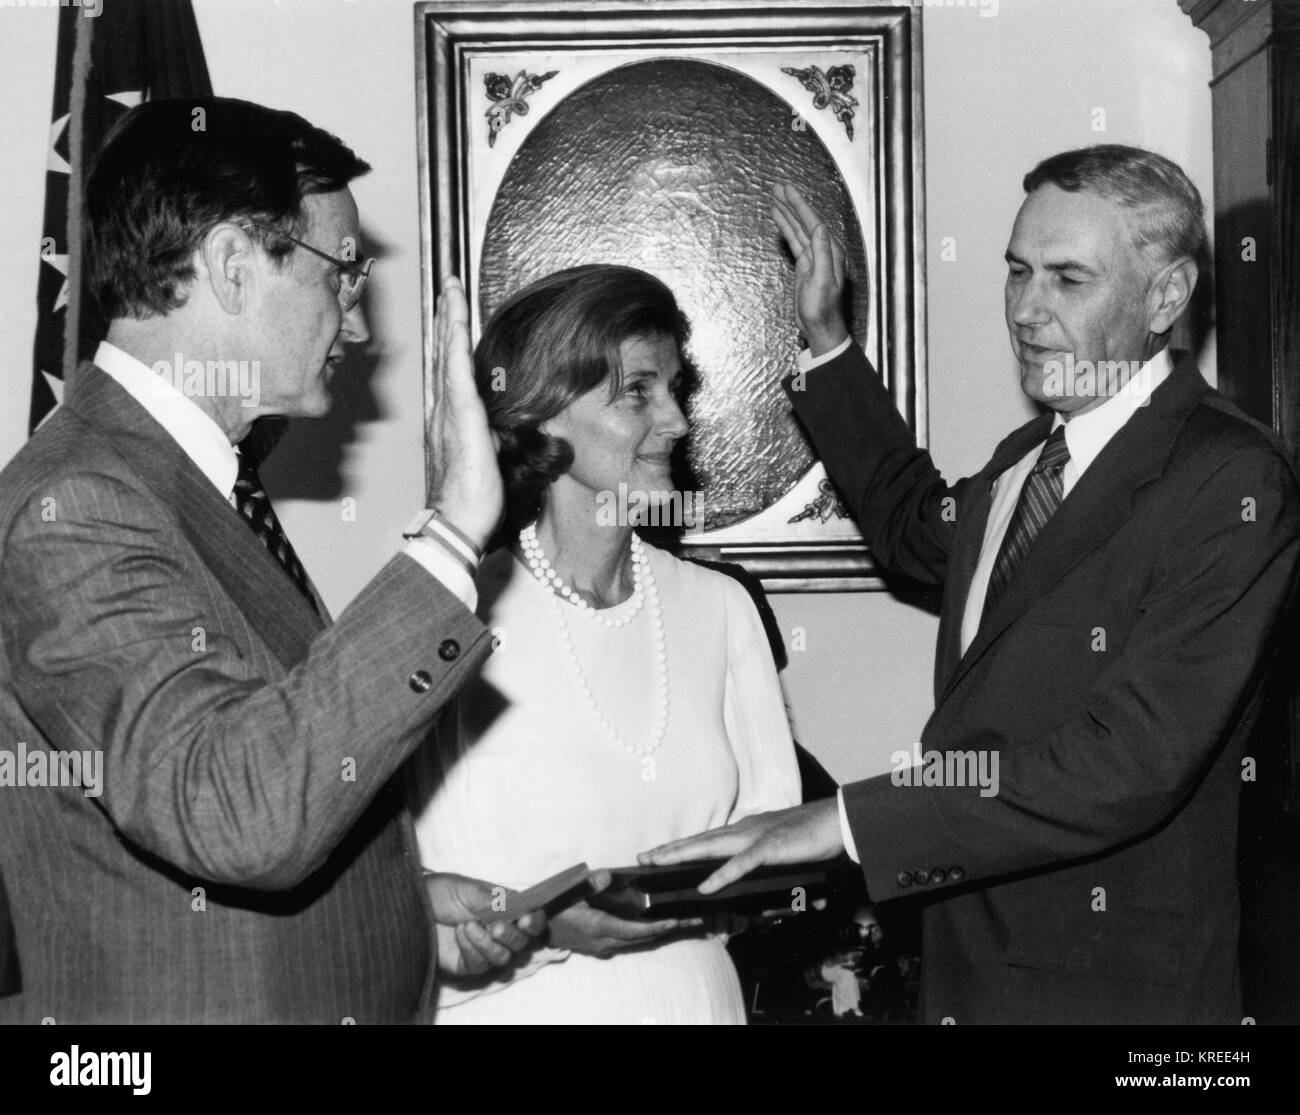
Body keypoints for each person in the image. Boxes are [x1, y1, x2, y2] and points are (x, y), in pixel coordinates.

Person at [644, 148, 1300, 1023]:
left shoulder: (1229, 479)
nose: (1028, 310)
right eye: (1018, 272)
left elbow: (1125, 762)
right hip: (972, 973)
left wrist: (848, 823)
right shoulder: (1024, 461)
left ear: (1168, 297)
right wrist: (829, 343)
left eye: (1069, 279)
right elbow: (915, 523)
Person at [0, 97, 542, 1024]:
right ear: (232, 267)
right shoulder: (79, 504)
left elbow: (276, 755)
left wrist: (396, 908)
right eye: (341, 274)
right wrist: (453, 534)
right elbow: (235, 810)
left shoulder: (194, 484)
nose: (358, 322)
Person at [409, 265, 801, 1024]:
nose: (678, 420)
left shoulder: (721, 609)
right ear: (547, 413)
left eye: (676, 388)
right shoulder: (451, 615)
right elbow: (395, 902)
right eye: (638, 392)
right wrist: (543, 928)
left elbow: (774, 859)